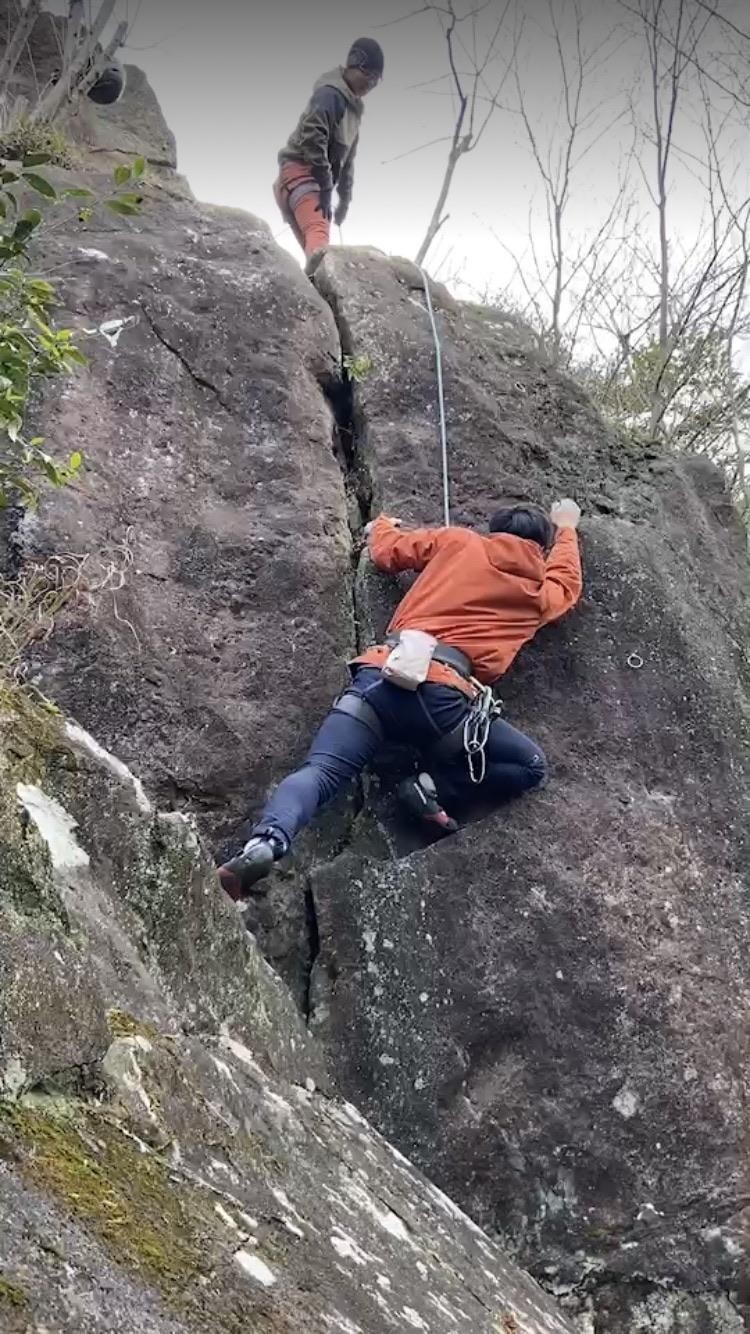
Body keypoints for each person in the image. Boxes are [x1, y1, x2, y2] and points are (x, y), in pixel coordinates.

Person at [218, 499, 583, 900]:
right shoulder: (538, 590)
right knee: (529, 766)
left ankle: (265, 843)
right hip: (444, 705)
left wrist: (382, 526)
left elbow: (387, 552)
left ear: (494, 529)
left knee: (320, 772)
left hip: (382, 676)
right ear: (540, 548)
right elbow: (567, 583)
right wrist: (566, 528)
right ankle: (431, 786)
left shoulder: (458, 541)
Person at [274, 38, 384, 266]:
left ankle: (313, 295)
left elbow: (347, 163)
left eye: (376, 82)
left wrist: (344, 200)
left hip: (301, 183)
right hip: (301, 174)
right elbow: (314, 136)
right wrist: (325, 187)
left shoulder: (353, 112)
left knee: (313, 252)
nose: (370, 86)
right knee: (320, 247)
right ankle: (323, 296)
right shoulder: (330, 95)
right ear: (356, 65)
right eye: (370, 77)